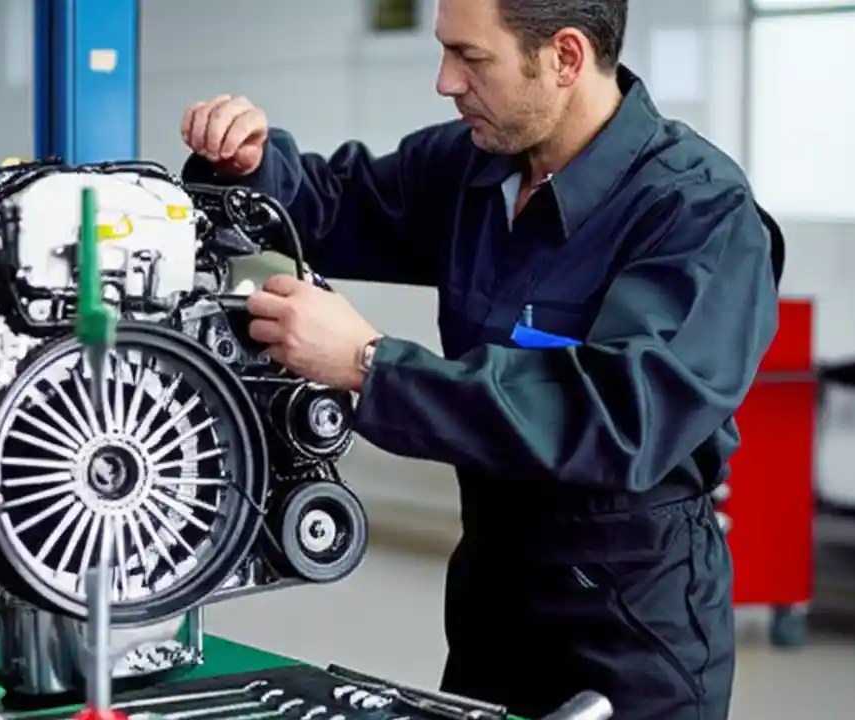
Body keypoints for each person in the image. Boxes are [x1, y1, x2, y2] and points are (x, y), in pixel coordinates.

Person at [177, 1, 780, 718]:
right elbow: (328, 204)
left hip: (630, 625)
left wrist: (370, 364)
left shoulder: (697, 211)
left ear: (565, 57)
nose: (445, 81)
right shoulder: (472, 166)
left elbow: (623, 420)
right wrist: (249, 166)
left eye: (471, 57)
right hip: (491, 605)